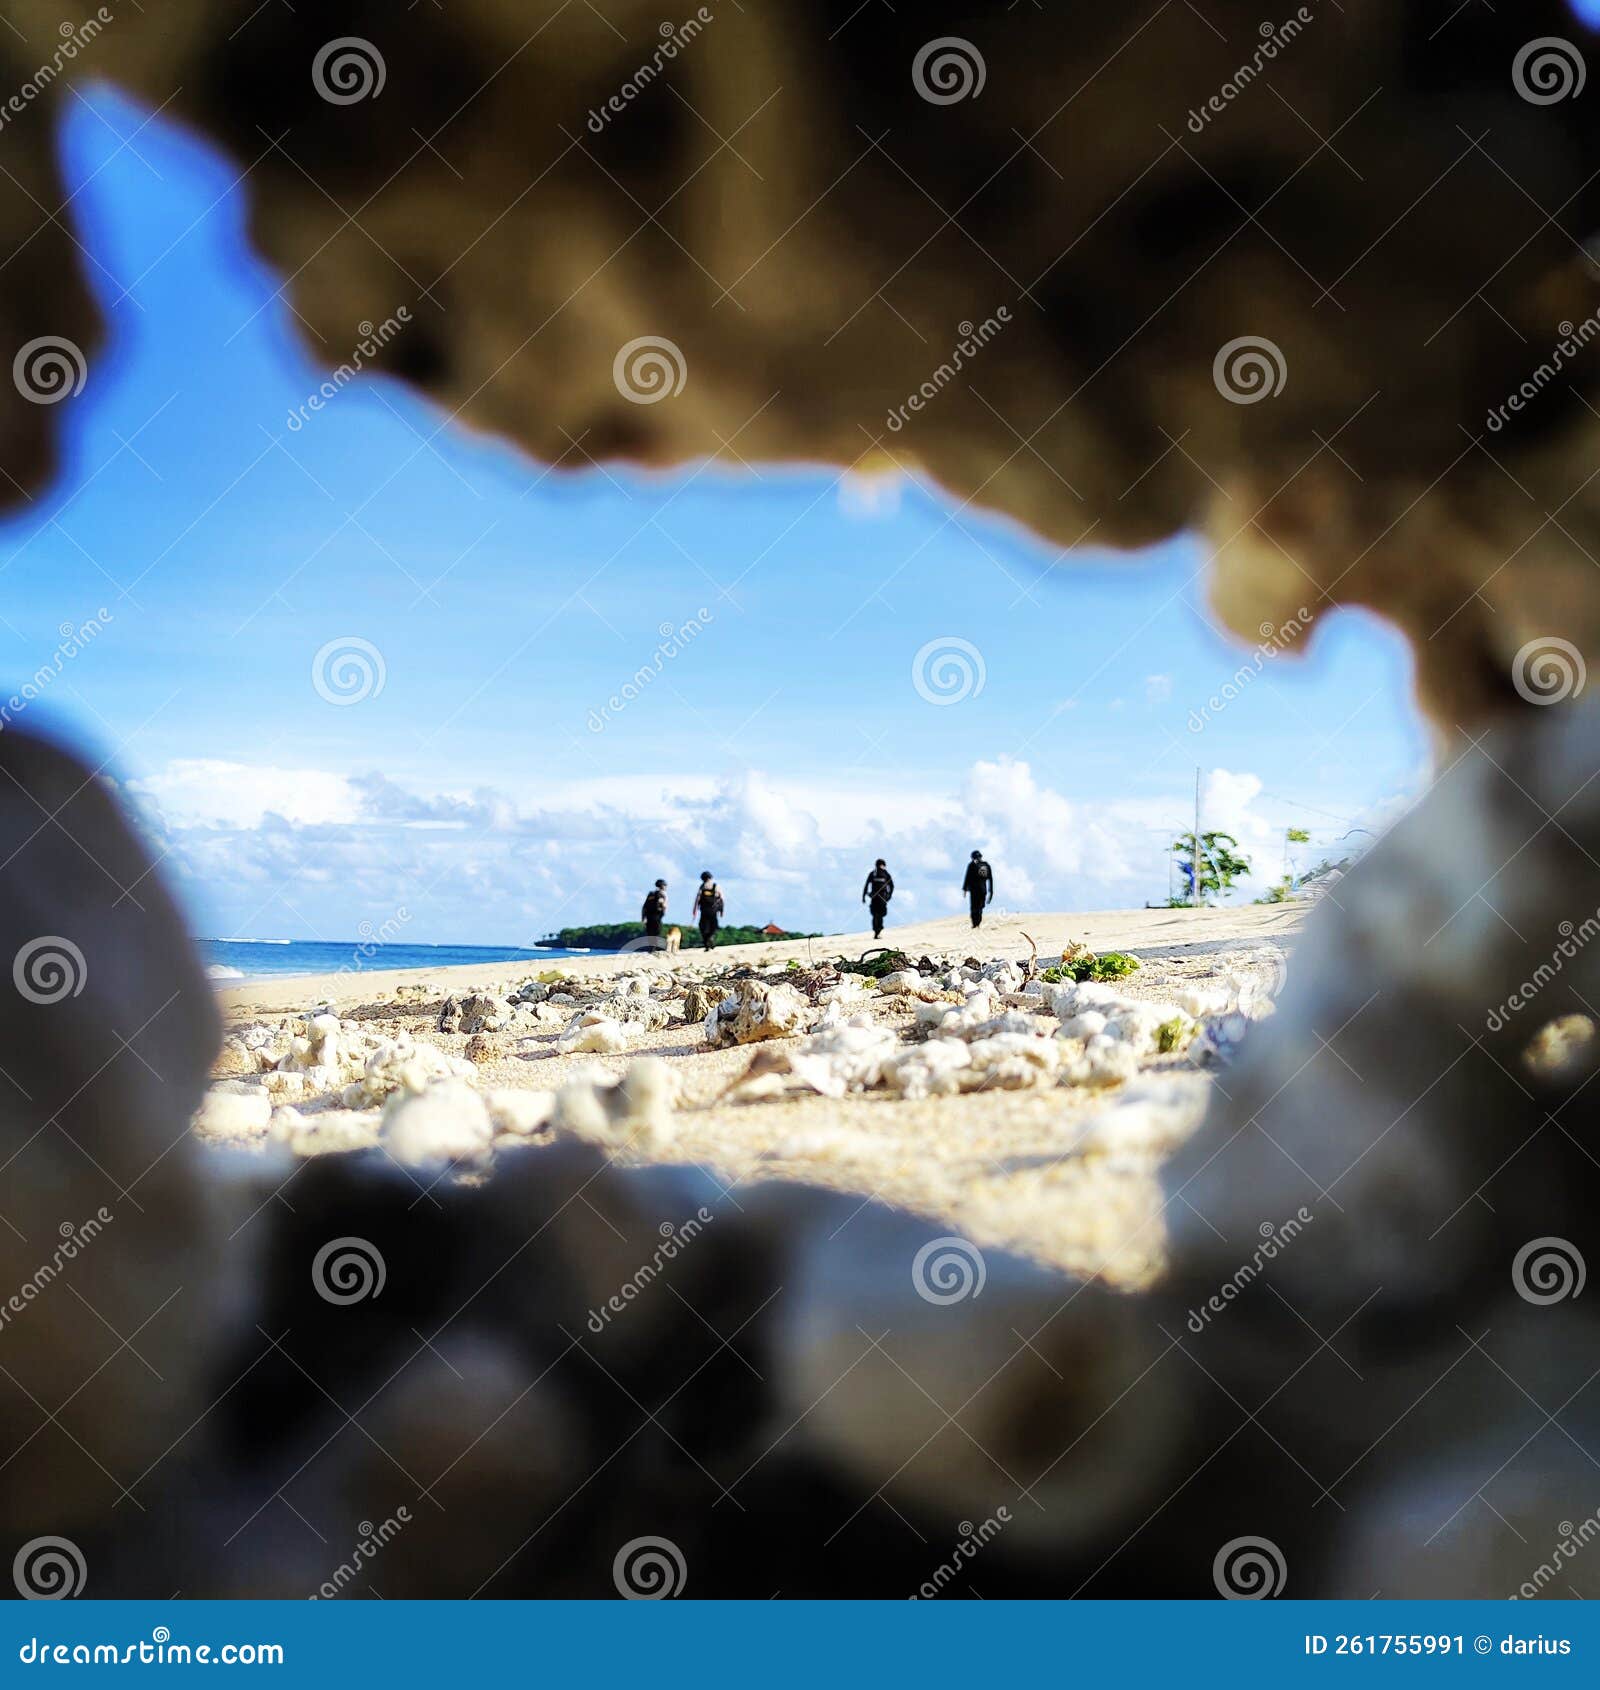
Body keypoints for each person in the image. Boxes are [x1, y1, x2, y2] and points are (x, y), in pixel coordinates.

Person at [861, 858, 894, 939]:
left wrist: (864, 896)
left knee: (876, 915)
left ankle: (877, 931)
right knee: (879, 915)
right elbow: (892, 886)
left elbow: (866, 885)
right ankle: (878, 930)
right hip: (882, 898)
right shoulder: (885, 874)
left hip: (875, 898)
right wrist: (889, 896)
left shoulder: (873, 874)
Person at [692, 871, 724, 951]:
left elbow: (697, 899)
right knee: (714, 926)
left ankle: (707, 943)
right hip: (713, 910)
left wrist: (694, 910)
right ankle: (710, 938)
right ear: (710, 877)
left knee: (703, 927)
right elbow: (721, 899)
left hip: (704, 910)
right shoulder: (716, 886)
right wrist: (722, 911)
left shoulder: (702, 886)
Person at [962, 849, 993, 930]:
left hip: (975, 890)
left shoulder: (972, 865)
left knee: (975, 908)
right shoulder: (986, 865)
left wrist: (965, 889)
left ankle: (976, 924)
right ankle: (977, 923)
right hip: (982, 890)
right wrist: (991, 892)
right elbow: (990, 879)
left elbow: (967, 877)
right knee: (979, 907)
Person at [640, 878, 668, 950]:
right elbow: (663, 905)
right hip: (657, 916)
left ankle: (651, 948)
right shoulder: (662, 894)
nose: (666, 887)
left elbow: (644, 907)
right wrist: (663, 912)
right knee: (657, 933)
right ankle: (655, 949)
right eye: (665, 885)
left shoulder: (650, 894)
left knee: (650, 933)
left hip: (649, 917)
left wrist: (643, 918)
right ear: (662, 886)